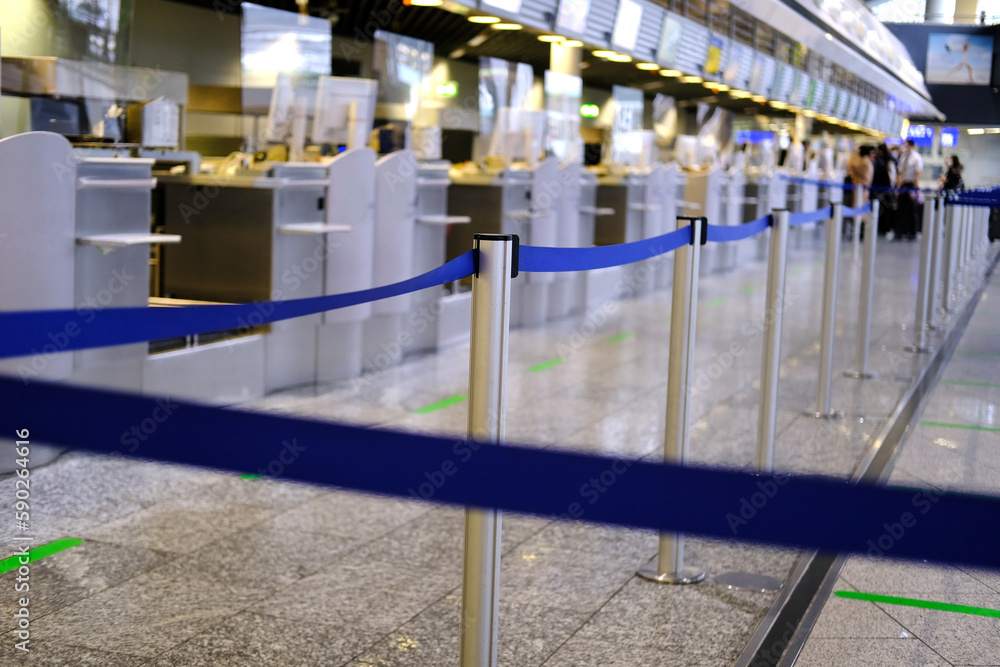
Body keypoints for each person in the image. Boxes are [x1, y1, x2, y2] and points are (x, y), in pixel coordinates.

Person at [895, 139, 923, 240]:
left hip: (911, 185)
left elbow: (917, 174)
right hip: (903, 184)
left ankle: (912, 232)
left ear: (911, 146)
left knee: (911, 210)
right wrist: (898, 187)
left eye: (907, 146)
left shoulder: (916, 158)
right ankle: (899, 231)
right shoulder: (903, 157)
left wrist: (914, 189)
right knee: (900, 209)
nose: (905, 147)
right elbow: (900, 172)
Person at [873, 144, 897, 236]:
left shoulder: (888, 161)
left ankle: (885, 228)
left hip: (886, 190)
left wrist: (891, 189)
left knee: (885, 210)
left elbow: (892, 177)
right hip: (883, 189)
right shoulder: (882, 160)